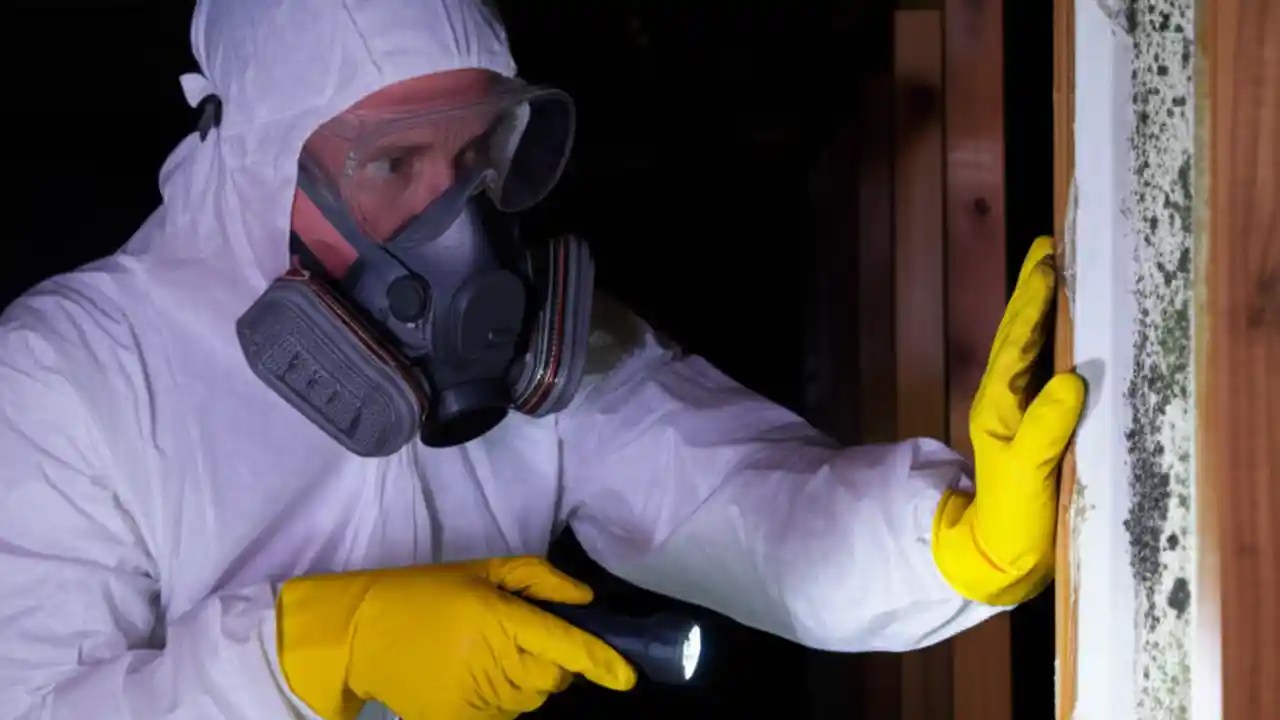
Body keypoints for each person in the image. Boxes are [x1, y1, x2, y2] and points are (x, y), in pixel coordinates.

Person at [0, 1, 1084, 719]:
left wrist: (942, 544)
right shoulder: (72, 382)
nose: (456, 223)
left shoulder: (531, 353)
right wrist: (307, 655)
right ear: (254, 167)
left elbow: (738, 505)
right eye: (394, 162)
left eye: (477, 151)